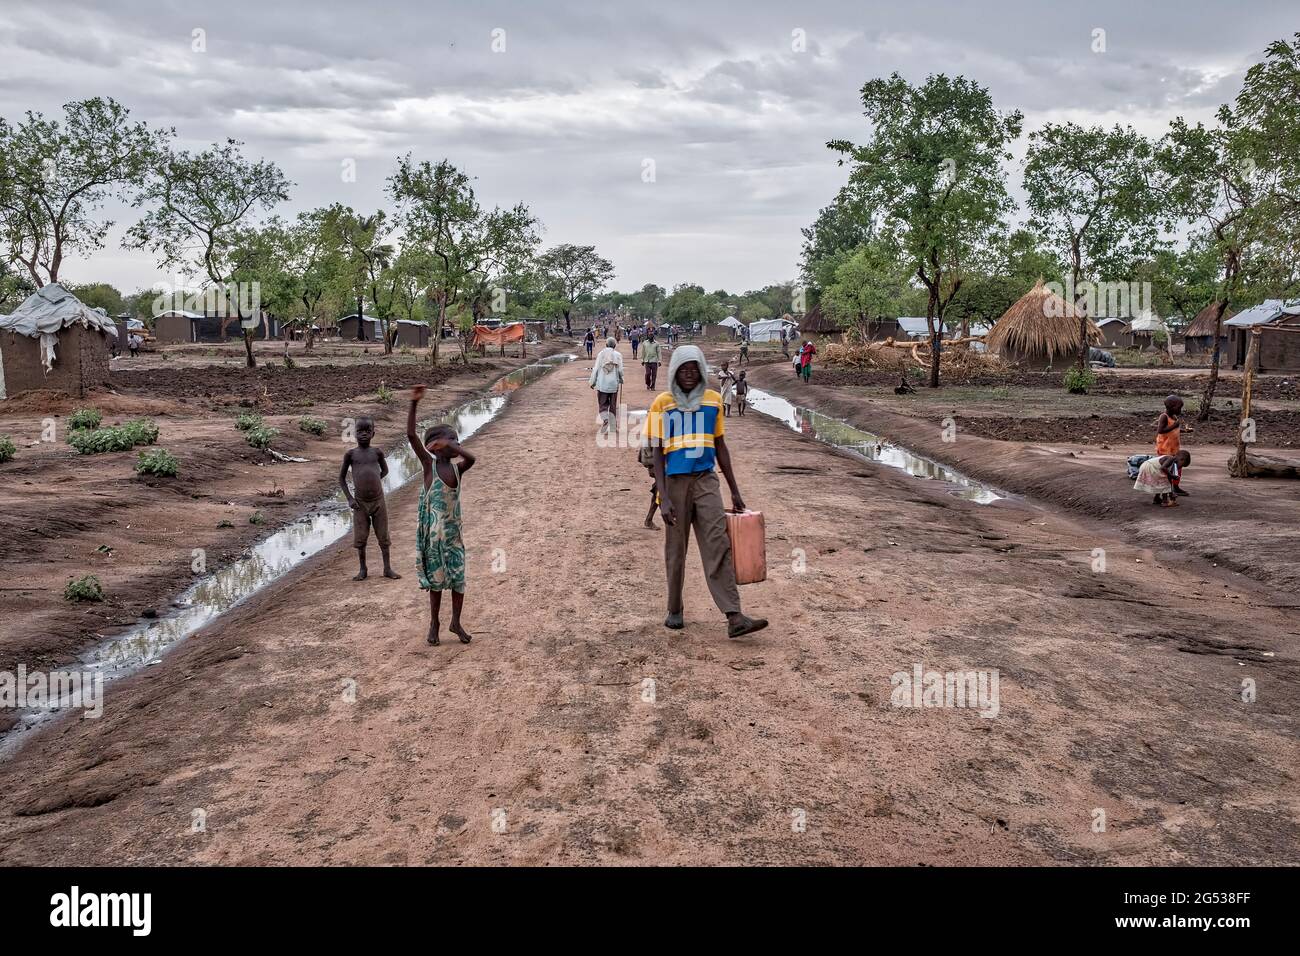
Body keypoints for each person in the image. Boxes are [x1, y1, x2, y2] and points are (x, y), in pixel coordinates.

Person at [647, 345, 768, 640]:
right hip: (674, 484)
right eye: (683, 370)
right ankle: (675, 609)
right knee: (676, 550)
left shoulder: (713, 401)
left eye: (694, 369)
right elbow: (657, 454)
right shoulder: (662, 404)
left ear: (701, 371)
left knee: (718, 544)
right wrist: (662, 498)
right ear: (674, 372)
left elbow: (721, 447)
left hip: (706, 481)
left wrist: (735, 491)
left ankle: (734, 616)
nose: (688, 374)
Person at [407, 386, 477, 645]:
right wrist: (414, 403)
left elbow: (472, 459)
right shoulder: (429, 467)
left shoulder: (458, 469)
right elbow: (411, 435)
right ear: (435, 448)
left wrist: (453, 446)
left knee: (459, 580)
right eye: (452, 441)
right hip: (434, 540)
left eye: (457, 440)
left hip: (454, 537)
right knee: (436, 585)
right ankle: (434, 622)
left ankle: (455, 622)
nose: (458, 445)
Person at [339, 416, 400, 582]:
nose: (363, 434)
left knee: (383, 537)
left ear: (373, 433)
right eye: (360, 431)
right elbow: (342, 479)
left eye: (367, 431)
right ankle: (363, 569)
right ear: (354, 433)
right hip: (360, 503)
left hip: (379, 501)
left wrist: (374, 483)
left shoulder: (377, 452)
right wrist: (350, 499)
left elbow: (385, 471)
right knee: (361, 538)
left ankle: (387, 568)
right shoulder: (350, 455)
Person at [590, 336, 623, 432]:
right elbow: (620, 370)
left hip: (602, 384)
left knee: (602, 404)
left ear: (606, 344)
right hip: (614, 385)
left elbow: (596, 369)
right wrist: (621, 379)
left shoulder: (601, 354)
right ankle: (613, 426)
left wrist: (592, 382)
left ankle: (605, 420)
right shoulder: (618, 355)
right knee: (613, 405)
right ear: (615, 346)